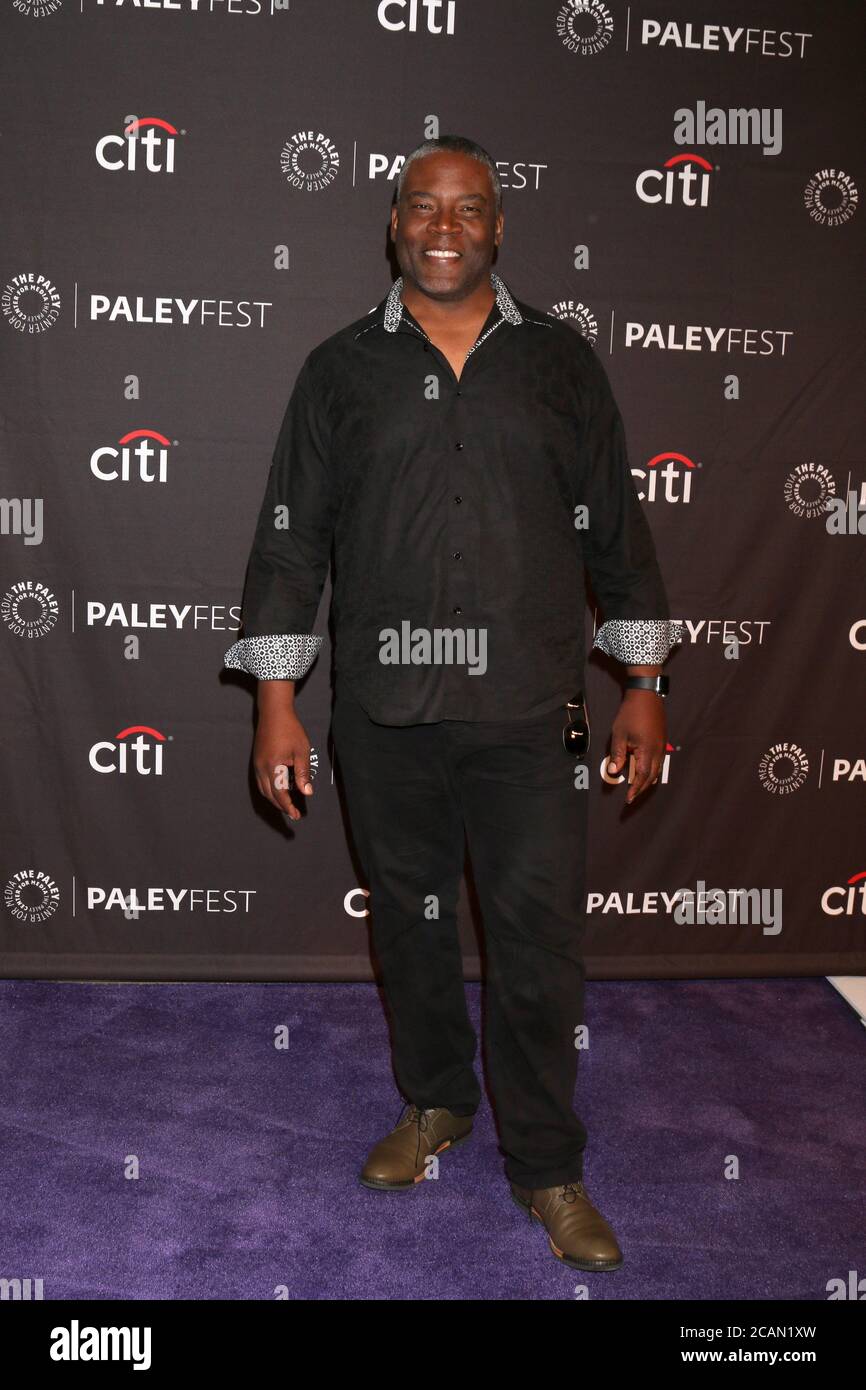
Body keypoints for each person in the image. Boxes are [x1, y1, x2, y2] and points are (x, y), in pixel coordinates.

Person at [224, 134, 683, 1273]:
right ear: (391, 224)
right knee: (410, 926)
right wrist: (274, 701)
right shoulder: (338, 371)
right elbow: (291, 545)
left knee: (537, 943)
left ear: (496, 227)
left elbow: (617, 539)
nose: (442, 228)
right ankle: (434, 1105)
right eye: (421, 208)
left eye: (466, 208)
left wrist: (644, 685)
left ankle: (546, 1165)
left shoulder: (563, 365)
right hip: (383, 716)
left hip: (528, 715)